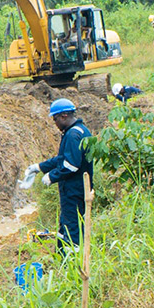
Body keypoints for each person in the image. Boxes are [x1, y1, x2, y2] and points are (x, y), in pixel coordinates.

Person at [36, 97, 94, 246]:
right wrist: (40, 167)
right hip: (75, 190)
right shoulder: (78, 131)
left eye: (55, 119)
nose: (55, 124)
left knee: (72, 228)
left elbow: (71, 165)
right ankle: (63, 257)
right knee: (66, 225)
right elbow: (62, 158)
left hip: (74, 191)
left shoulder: (73, 135)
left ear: (64, 116)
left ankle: (72, 261)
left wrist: (52, 176)